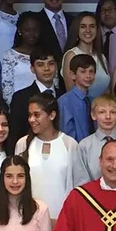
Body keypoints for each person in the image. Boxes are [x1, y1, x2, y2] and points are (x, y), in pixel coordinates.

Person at [15, 92, 77, 220]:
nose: (32, 120)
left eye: (37, 115)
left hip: (61, 217)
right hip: (28, 217)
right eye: (30, 115)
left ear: (52, 115)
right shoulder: (22, 144)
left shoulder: (69, 144)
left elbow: (74, 186)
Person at [73, 94, 116, 186]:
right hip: (92, 198)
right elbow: (81, 181)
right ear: (93, 115)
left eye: (113, 112)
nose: (108, 117)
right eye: (102, 112)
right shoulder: (84, 146)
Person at [8, 45, 63, 139]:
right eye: (40, 65)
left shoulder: (63, 95)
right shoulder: (21, 97)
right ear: (32, 69)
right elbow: (15, 134)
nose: (47, 69)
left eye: (51, 63)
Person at [60, 10, 109, 99]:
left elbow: (107, 90)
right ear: (77, 30)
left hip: (102, 110)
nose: (88, 30)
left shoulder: (102, 57)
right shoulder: (71, 55)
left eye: (92, 26)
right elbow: (71, 94)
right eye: (83, 26)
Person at [0, 12, 47, 103]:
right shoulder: (10, 55)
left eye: (35, 30)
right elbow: (7, 89)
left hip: (43, 107)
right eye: (27, 30)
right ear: (19, 31)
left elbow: (53, 83)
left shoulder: (46, 54)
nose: (32, 34)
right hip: (19, 106)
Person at [56, 54, 97, 141]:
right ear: (73, 75)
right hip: (74, 149)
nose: (88, 76)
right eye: (83, 72)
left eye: (91, 71)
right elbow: (66, 132)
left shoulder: (94, 100)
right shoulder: (65, 101)